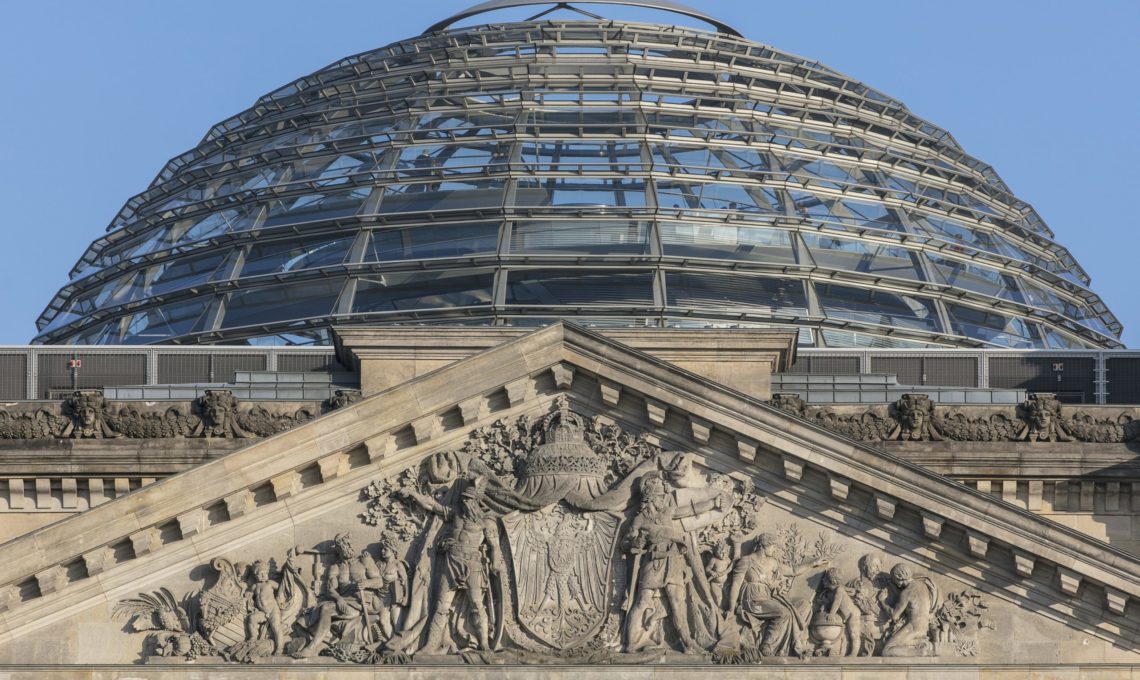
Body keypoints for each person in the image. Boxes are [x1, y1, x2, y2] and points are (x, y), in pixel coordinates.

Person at [725, 532, 825, 657]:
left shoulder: (772, 563)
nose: (775, 549)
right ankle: (766, 645)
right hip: (752, 601)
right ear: (763, 546)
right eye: (773, 546)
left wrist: (813, 563)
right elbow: (736, 585)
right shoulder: (746, 561)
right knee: (783, 612)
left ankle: (790, 643)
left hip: (767, 599)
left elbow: (793, 571)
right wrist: (731, 607)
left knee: (801, 604)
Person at [292, 533, 382, 658]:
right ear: (338, 550)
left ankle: (311, 648)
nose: (347, 548)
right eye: (343, 547)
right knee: (322, 609)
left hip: (362, 602)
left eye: (348, 545)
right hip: (344, 601)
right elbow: (330, 589)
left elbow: (379, 581)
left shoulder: (364, 561)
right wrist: (338, 598)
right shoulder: (336, 567)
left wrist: (366, 582)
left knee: (326, 608)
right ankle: (312, 645)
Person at [881, 563, 935, 657]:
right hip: (925, 627)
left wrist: (882, 601)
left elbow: (894, 615)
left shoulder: (906, 593)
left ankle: (921, 652)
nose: (894, 583)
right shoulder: (923, 585)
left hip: (913, 627)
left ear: (899, 577)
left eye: (894, 579)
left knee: (887, 650)